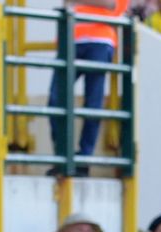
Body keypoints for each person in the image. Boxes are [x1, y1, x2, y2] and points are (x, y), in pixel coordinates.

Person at [47, 0, 127, 175]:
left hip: (99, 40)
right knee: (55, 99)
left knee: (92, 103)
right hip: (71, 36)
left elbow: (112, 4)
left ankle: (83, 159)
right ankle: (63, 157)